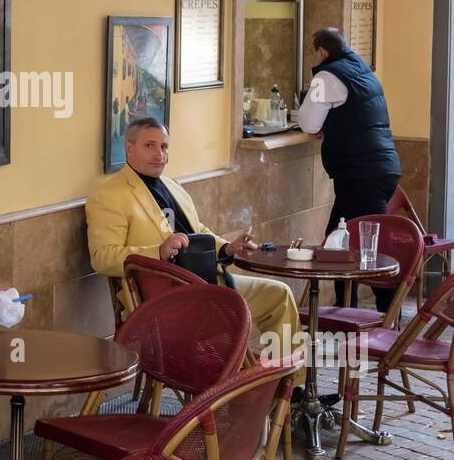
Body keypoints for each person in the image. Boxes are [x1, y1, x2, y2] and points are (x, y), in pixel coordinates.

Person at [85, 117, 302, 369]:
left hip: (207, 283)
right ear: (129, 147)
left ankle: (290, 389)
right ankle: (237, 389)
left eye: (164, 147)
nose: (159, 154)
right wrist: (158, 251)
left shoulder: (173, 186)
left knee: (280, 295)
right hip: (163, 300)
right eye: (149, 146)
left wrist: (227, 247)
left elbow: (198, 232)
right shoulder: (109, 194)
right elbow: (102, 257)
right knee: (235, 324)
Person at [298, 28, 402, 312]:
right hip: (382, 168)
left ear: (322, 51)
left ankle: (388, 316)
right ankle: (346, 310)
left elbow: (308, 123)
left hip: (360, 173)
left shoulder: (326, 76)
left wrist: (324, 124)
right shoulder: (363, 70)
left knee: (370, 248)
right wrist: (331, 124)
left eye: (313, 52)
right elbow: (355, 115)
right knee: (340, 241)